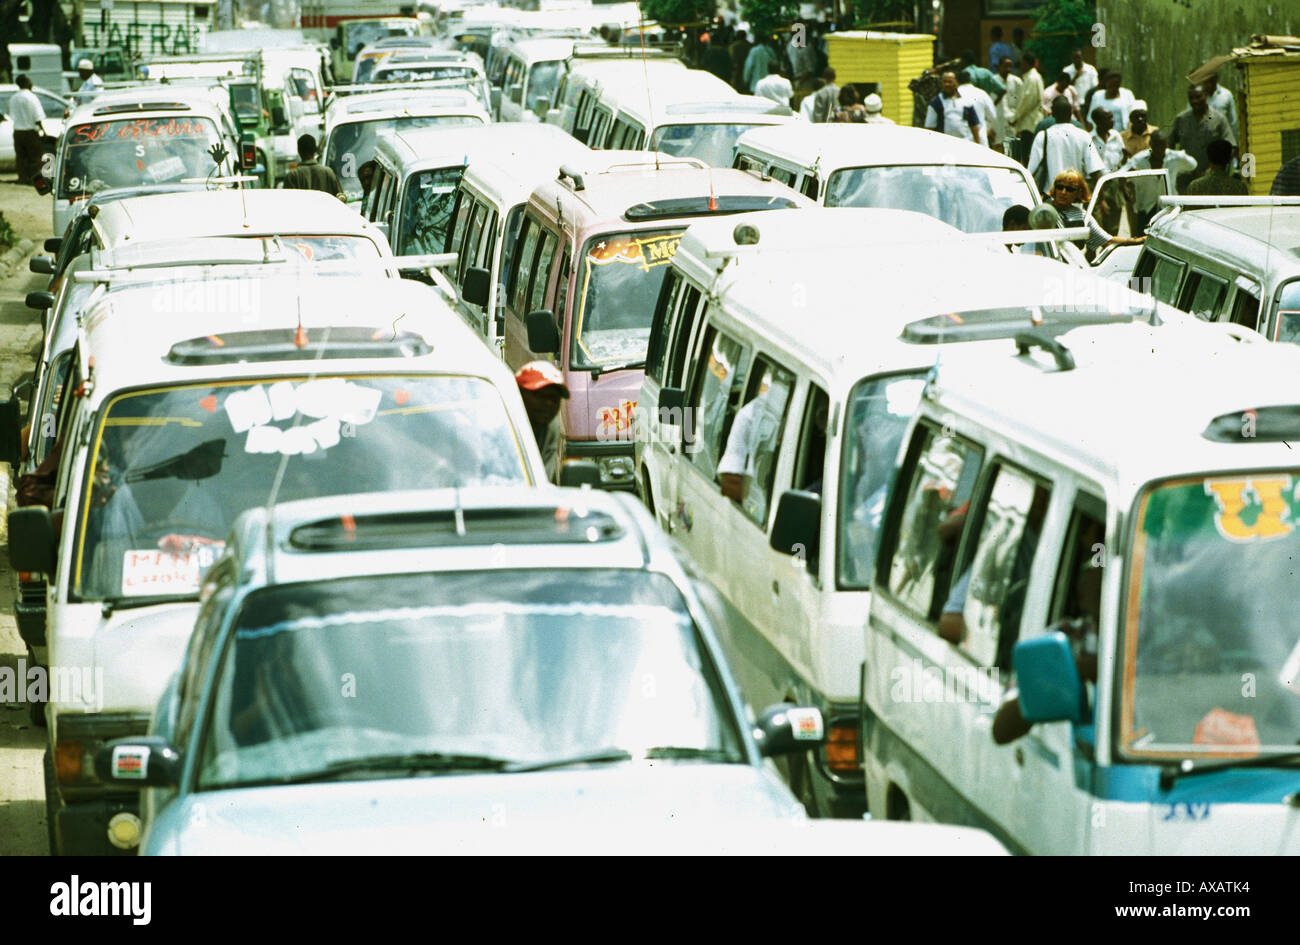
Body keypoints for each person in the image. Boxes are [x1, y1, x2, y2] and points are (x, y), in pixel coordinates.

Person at [991, 561, 1102, 745]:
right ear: (1082, 596)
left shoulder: (1156, 640)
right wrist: (1070, 672)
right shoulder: (1066, 639)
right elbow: (1001, 730)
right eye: (1100, 592)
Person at [1048, 169, 1143, 260]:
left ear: (1078, 192)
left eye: (1070, 189)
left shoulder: (1082, 216)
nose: (1063, 192)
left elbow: (1107, 241)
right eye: (1059, 187)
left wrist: (1137, 241)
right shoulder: (1041, 208)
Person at [1121, 130, 1197, 233]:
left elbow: (1193, 165)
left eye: (1162, 145)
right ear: (1151, 144)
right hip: (1145, 207)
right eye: (1156, 145)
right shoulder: (1139, 159)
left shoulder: (1176, 158)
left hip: (1169, 208)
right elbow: (1123, 173)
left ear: (1167, 145)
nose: (1159, 149)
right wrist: (1128, 189)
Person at [1027, 96, 1104, 195]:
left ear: (1053, 114)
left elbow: (1031, 171)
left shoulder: (1043, 136)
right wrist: (1101, 200)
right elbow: (1095, 171)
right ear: (1071, 114)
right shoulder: (1083, 135)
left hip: (1052, 198)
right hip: (1075, 198)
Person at [1169, 84, 1237, 191]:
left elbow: (1231, 147)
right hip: (1186, 180)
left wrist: (1215, 169)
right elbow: (1169, 146)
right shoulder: (1181, 119)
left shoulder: (1218, 119)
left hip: (1213, 181)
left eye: (1198, 97)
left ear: (1205, 96)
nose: (1195, 101)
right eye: (1191, 98)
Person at [514, 361, 569, 483]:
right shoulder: (500, 424)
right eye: (539, 395)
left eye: (554, 399)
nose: (548, 404)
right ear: (518, 393)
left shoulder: (551, 427)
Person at [281, 134, 345, 198]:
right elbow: (341, 198)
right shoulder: (328, 173)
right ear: (315, 149)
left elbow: (288, 202)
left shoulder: (292, 176)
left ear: (299, 151)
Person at [9, 75, 45, 186]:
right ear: (26, 83)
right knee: (34, 157)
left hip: (18, 132)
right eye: (29, 81)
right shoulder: (32, 97)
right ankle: (34, 179)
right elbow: (37, 117)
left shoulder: (13, 98)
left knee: (21, 157)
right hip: (30, 132)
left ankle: (22, 179)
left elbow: (12, 115)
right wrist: (43, 131)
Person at [925, 71, 980, 142]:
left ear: (957, 82)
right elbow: (929, 127)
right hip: (944, 143)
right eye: (944, 82)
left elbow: (974, 124)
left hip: (964, 142)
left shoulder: (966, 101)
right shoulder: (936, 102)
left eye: (950, 82)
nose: (946, 84)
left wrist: (978, 142)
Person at [1010, 52, 1044, 163]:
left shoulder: (1032, 78)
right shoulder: (1031, 77)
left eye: (1023, 63)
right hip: (1029, 122)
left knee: (1028, 156)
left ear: (1027, 64)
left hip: (1030, 123)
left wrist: (1015, 118)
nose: (1021, 66)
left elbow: (1027, 102)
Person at [958, 69, 997, 148]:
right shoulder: (982, 93)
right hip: (980, 138)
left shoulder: (955, 95)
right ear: (970, 80)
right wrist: (985, 130)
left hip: (960, 140)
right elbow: (993, 116)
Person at [994, 56, 1022, 157]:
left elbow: (1020, 103)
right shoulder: (993, 81)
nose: (1008, 69)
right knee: (998, 148)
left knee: (1012, 150)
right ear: (999, 67)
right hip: (998, 121)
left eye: (1010, 67)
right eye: (1005, 66)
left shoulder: (1016, 81)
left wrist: (1017, 119)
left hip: (1012, 121)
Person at [1089, 106, 1125, 173]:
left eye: (1112, 117)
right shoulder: (1090, 139)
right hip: (1098, 181)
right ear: (1097, 121)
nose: (1112, 120)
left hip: (1115, 178)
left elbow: (1122, 159)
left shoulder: (1116, 136)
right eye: (1108, 118)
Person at [787, 23, 817, 91]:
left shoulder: (807, 48)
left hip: (805, 81)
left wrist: (800, 82)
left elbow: (810, 69)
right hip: (795, 80)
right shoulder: (790, 45)